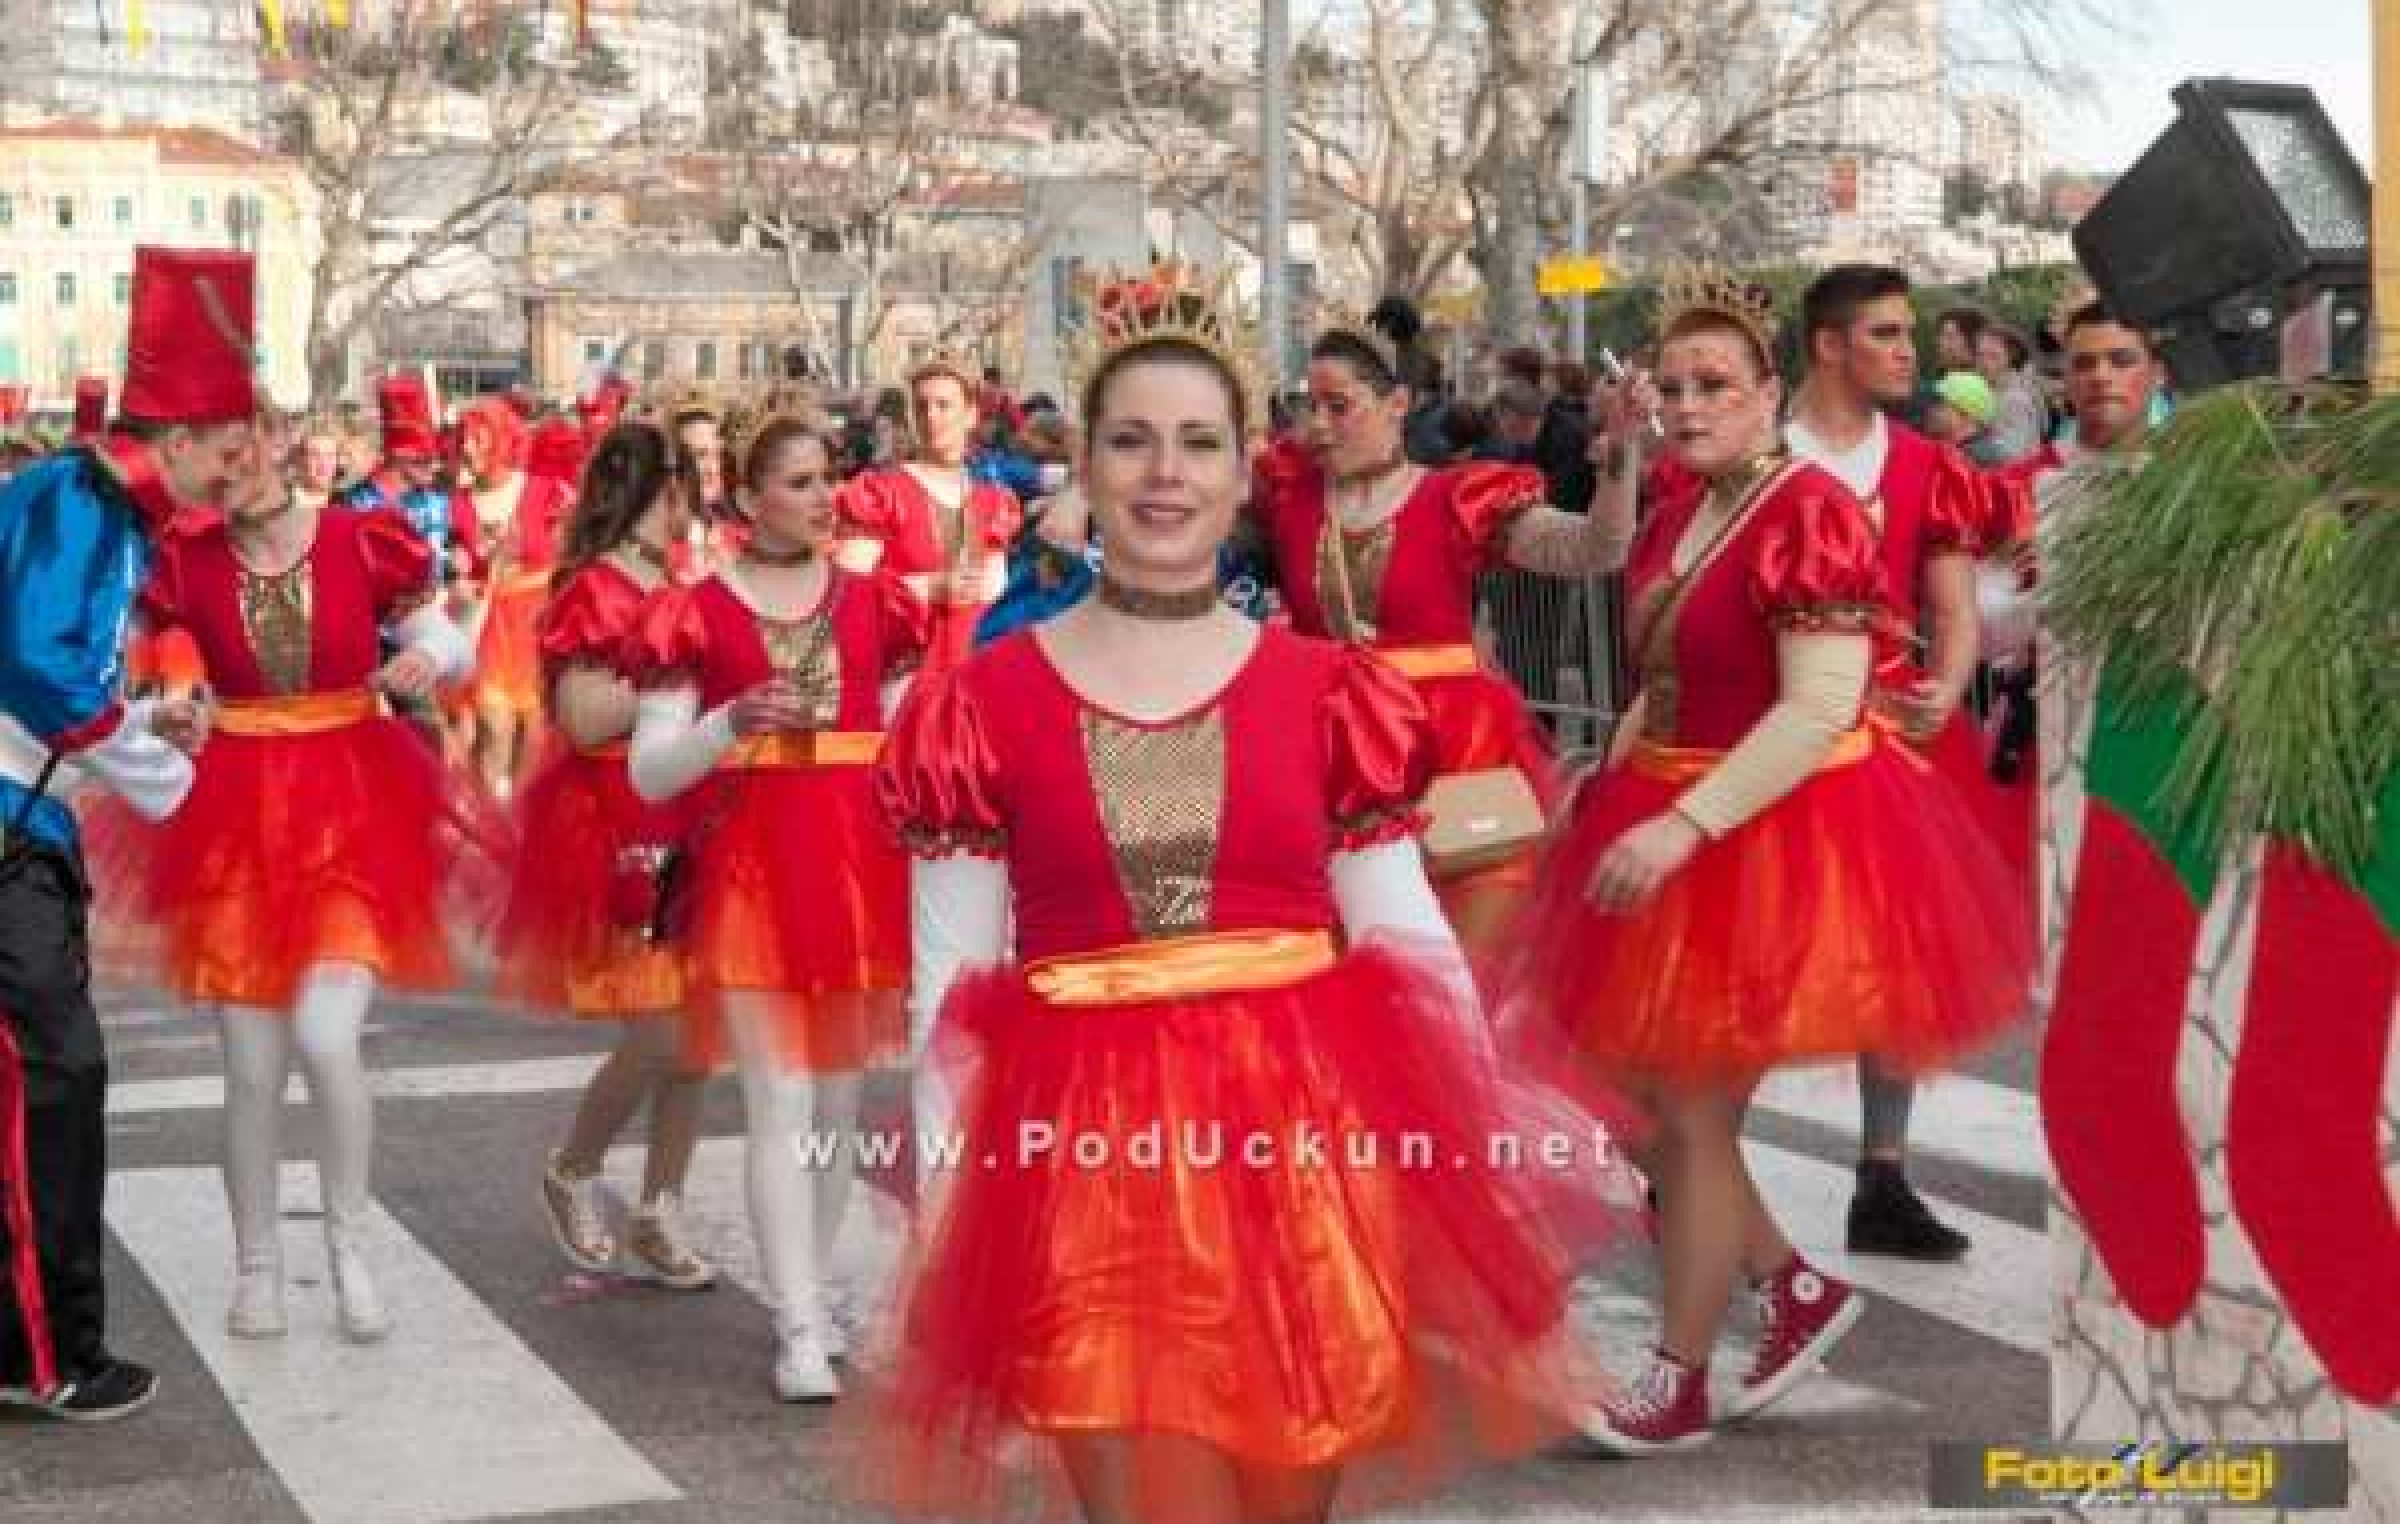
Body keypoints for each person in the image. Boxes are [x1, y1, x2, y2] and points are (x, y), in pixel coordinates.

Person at [860, 265, 1612, 1524]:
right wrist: (948, 1213)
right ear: (1085, 468)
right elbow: (953, 977)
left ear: (1242, 467)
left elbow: (1406, 938)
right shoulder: (973, 708)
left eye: (1198, 442)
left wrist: (1486, 1158)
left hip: (1303, 1161)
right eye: (1134, 441)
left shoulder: (1334, 694)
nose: (1166, 473)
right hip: (1079, 1171)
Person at [1512, 263, 2034, 1454]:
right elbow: (1664, 677)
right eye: (1675, 385)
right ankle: (1792, 1287)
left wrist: (1678, 824)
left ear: (1766, 394)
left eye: (1717, 385)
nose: (1692, 405)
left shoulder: (1808, 513)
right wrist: (1607, 782)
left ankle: (1681, 1373)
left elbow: (1816, 711)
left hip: (1764, 834)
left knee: (1690, 1114)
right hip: (1665, 811)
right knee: (1630, 1100)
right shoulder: (1676, 511)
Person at [125, 398, 476, 1347]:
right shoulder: (186, 559)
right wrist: (177, 703)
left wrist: (425, 663)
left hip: (351, 807)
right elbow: (167, 665)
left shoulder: (365, 538)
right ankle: (256, 1265)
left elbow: (450, 635)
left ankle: (349, 1246)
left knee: (326, 1039)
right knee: (249, 1070)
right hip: (235, 815)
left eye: (239, 446)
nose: (222, 468)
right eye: (205, 453)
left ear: (278, 441)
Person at [624, 408, 925, 1402]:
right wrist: (727, 721)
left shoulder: (878, 603)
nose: (821, 495)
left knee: (836, 1110)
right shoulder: (694, 610)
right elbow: (653, 771)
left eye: (825, 476)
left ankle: (818, 1291)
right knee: (781, 1100)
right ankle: (796, 1323)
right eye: (796, 481)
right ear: (748, 499)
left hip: (854, 872)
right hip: (753, 875)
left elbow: (912, 734)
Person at [0, 246, 237, 1421]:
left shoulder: (91, 508)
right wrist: (157, 767)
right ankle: (44, 1356)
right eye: (225, 443)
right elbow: (37, 668)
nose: (233, 467)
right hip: (7, 844)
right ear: (179, 433)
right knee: (56, 1081)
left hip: (26, 823)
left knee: (45, 1083)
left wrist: (147, 719)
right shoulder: (81, 502)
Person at [1248, 315, 1634, 960]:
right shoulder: (1288, 494)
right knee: (1339, 959)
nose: (1317, 424)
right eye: (1307, 405)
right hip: (1325, 746)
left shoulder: (1459, 497)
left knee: (1458, 967)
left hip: (1453, 750)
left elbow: (1594, 548)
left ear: (1397, 403)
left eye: (1338, 405)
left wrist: (1621, 458)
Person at [1784, 263, 1990, 1262]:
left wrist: (1947, 687)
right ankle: (1689, 1161)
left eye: (1910, 333)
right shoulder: (1750, 455)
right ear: (1830, 345)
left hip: (1892, 743)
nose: (1912, 352)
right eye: (1888, 334)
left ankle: (1883, 1178)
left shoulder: (1924, 465)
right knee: (1741, 958)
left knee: (1895, 963)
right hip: (1763, 740)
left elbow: (1954, 608)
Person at [501, 423, 716, 1292]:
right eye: (682, 490)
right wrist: (690, 682)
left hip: (685, 813)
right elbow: (586, 717)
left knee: (699, 1033)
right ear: (649, 495)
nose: (692, 508)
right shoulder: (596, 590)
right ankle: (574, 1166)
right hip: (616, 826)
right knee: (661, 1030)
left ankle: (661, 1208)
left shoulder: (671, 583)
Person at [834, 358, 1023, 674]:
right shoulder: (880, 492)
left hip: (976, 675)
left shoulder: (996, 501)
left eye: (943, 405)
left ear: (971, 415)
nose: (930, 416)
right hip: (904, 678)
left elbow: (997, 597)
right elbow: (845, 594)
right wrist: (929, 587)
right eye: (921, 407)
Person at [457, 396, 575, 799]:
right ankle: (493, 835)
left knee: (536, 742)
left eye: (476, 438)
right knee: (494, 734)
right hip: (490, 630)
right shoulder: (458, 505)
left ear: (500, 440)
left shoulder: (546, 493)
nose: (466, 448)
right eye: (464, 438)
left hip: (539, 627)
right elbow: (457, 574)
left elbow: (575, 557)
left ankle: (525, 830)